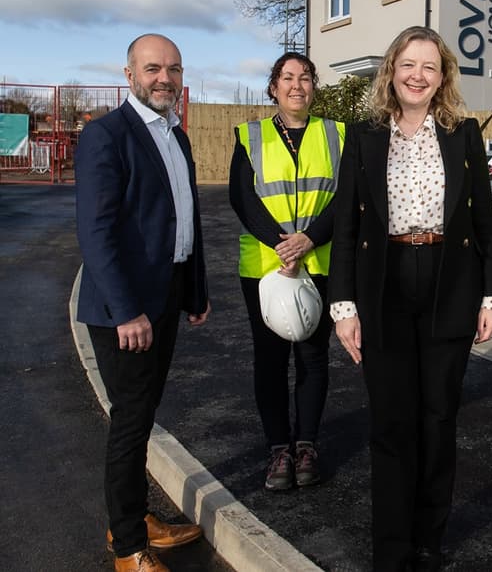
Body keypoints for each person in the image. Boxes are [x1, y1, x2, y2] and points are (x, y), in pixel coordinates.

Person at [328, 26, 492, 571]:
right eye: (408, 64)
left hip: (450, 283)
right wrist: (343, 307)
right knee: (391, 423)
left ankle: (428, 541)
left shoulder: (463, 133)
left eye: (429, 66)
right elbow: (343, 226)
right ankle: (392, 549)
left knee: (438, 418)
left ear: (443, 76)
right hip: (384, 286)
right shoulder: (363, 136)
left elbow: (484, 221)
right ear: (392, 70)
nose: (418, 75)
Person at [75, 33, 211, 572]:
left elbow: (186, 220)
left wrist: (194, 291)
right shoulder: (106, 136)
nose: (165, 78)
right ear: (128, 74)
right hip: (125, 309)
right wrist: (127, 309)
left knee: (143, 414)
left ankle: (131, 516)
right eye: (153, 68)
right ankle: (129, 546)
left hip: (166, 295)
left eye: (174, 69)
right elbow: (97, 231)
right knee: (131, 420)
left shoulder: (177, 137)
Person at [229, 52, 344, 491]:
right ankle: (279, 449)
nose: (297, 85)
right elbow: (242, 197)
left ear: (314, 86)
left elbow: (346, 197)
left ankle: (307, 445)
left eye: (306, 77)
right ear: (273, 86)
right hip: (265, 266)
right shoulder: (250, 135)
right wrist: (283, 243)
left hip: (319, 260)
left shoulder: (336, 135)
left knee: (313, 356)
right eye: (287, 77)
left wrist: (308, 239)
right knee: (271, 359)